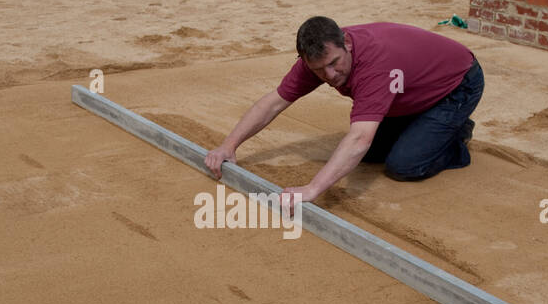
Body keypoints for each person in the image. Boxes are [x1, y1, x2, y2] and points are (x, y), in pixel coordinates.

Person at [204, 17, 483, 211]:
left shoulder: (375, 64)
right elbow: (273, 103)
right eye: (318, 70)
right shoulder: (317, 58)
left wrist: (312, 189)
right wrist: (229, 145)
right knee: (370, 154)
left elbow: (360, 138)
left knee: (403, 165)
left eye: (334, 63)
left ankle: (456, 135)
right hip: (407, 88)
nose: (330, 75)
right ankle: (424, 125)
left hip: (456, 85)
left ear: (346, 43)